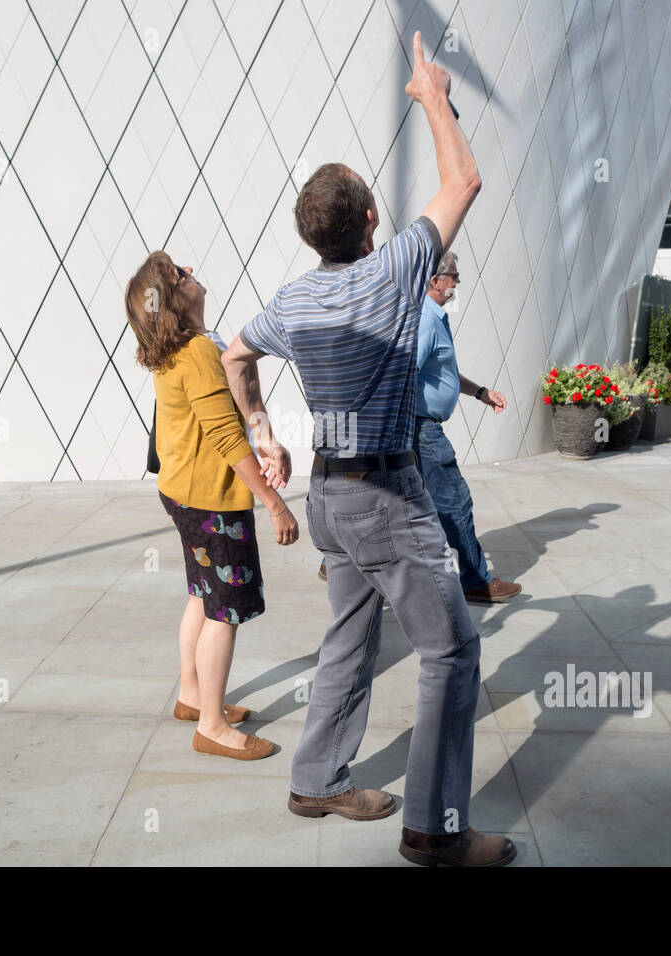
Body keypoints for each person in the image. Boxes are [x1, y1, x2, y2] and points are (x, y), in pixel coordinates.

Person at [221, 33, 515, 866]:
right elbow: (465, 181)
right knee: (452, 650)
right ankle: (435, 830)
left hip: (330, 501)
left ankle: (316, 780)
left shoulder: (294, 297)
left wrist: (266, 432)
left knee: (351, 639)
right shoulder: (393, 274)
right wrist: (432, 99)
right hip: (387, 498)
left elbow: (236, 355)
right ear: (370, 222)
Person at [124, 252, 299, 761]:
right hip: (211, 501)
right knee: (226, 609)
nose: (192, 271)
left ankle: (192, 694)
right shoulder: (198, 352)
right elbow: (225, 435)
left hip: (181, 493)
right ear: (174, 299)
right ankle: (213, 726)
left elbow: (238, 405)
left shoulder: (180, 351)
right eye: (181, 273)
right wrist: (274, 504)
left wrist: (267, 441)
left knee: (204, 593)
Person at [318, 252, 523, 605]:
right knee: (453, 500)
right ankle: (475, 580)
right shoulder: (427, 318)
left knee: (394, 501)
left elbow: (438, 371)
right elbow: (402, 373)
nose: (457, 283)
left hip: (415, 425)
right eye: (454, 276)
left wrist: (480, 393)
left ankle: (335, 562)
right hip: (421, 428)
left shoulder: (432, 317)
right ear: (434, 280)